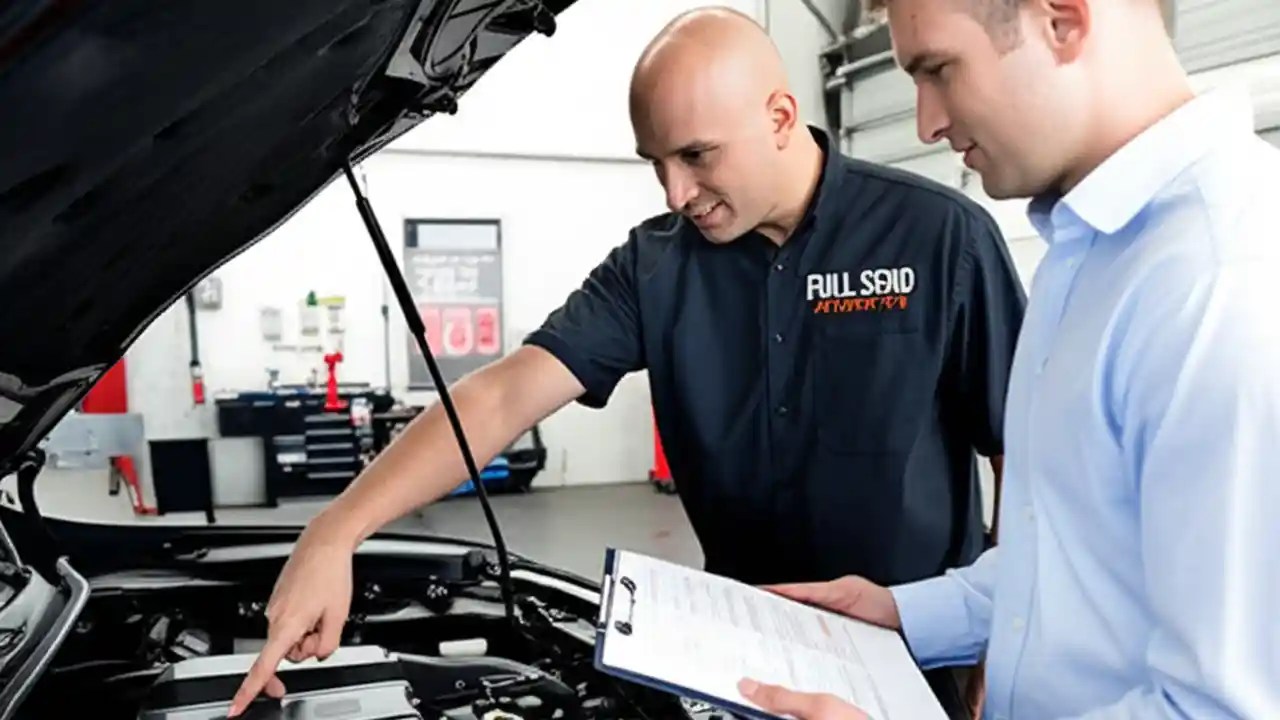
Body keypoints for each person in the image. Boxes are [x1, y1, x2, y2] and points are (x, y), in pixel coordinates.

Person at [227, 6, 1027, 717]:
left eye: (697, 156)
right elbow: (504, 396)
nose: (675, 192)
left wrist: (1003, 630)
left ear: (781, 117)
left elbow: (1021, 458)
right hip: (739, 666)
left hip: (912, 662)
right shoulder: (656, 267)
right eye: (656, 162)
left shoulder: (941, 241)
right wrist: (337, 530)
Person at [737, 0, 1280, 718]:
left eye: (938, 70)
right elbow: (1073, 559)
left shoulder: (1222, 283)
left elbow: (1225, 709)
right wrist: (902, 612)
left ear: (1062, 21)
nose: (926, 123)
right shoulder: (1090, 248)